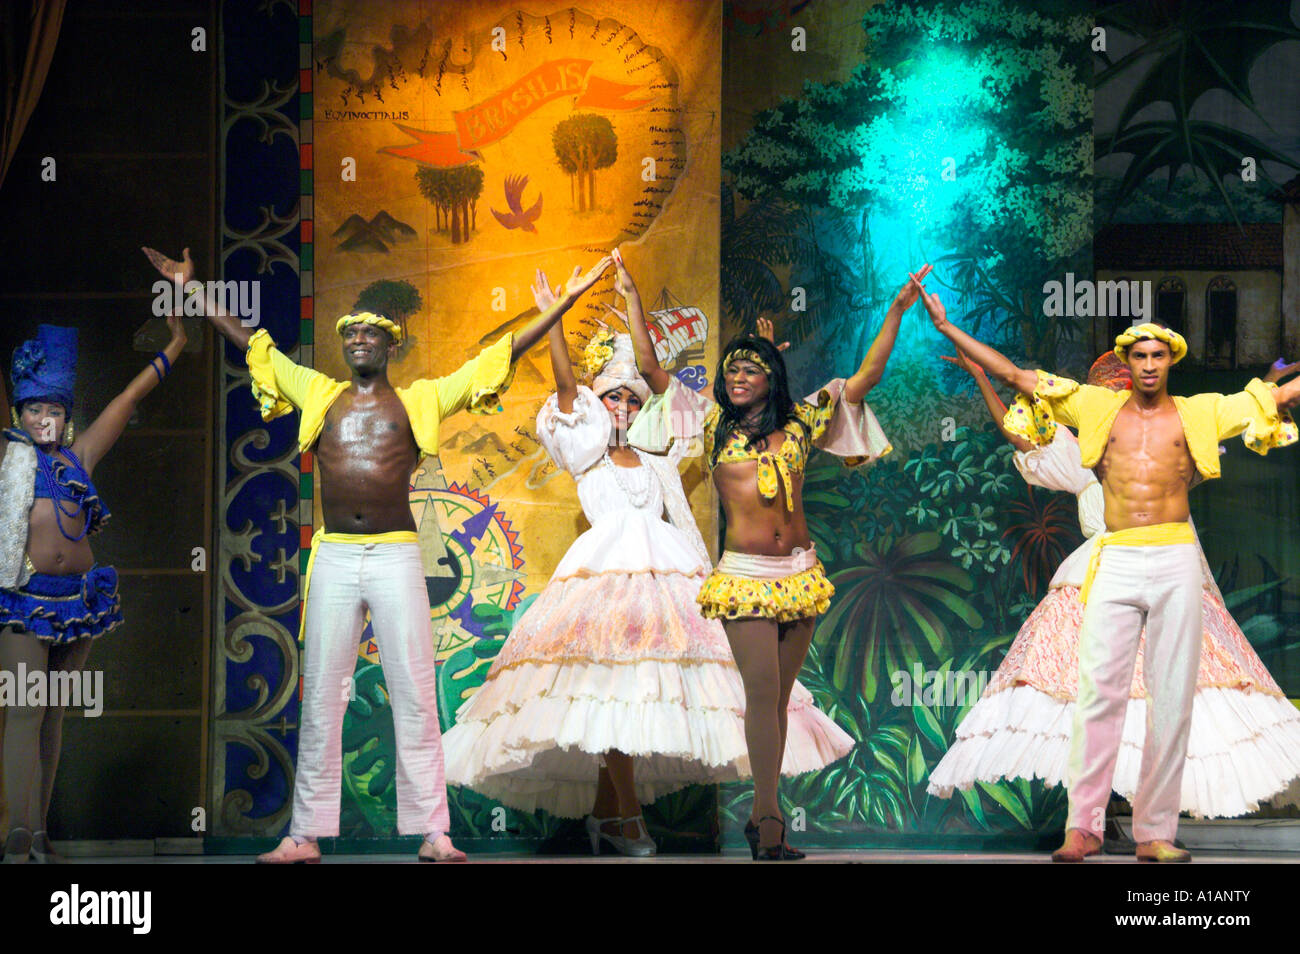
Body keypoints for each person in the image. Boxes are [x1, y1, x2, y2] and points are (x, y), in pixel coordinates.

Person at [144, 244, 610, 863]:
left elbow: (497, 358)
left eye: (372, 333)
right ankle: (303, 833)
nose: (360, 340)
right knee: (324, 694)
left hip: (394, 554)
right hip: (335, 555)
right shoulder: (316, 392)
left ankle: (433, 833)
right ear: (345, 347)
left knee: (414, 690)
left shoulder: (420, 399)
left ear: (391, 347)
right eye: (352, 333)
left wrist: (558, 310)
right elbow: (248, 340)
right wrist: (192, 288)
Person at [442, 263, 853, 856]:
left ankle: (619, 815)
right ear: (595, 403)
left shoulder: (659, 458)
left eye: (628, 399)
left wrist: (769, 362)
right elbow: (564, 387)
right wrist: (555, 321)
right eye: (609, 397)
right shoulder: (587, 456)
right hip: (605, 579)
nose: (620, 407)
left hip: (663, 579)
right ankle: (621, 815)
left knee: (648, 693)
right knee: (610, 690)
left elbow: (694, 407)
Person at [919, 275, 1300, 862]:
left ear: (1169, 361)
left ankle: (1155, 835)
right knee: (1099, 694)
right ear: (1125, 360)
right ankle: (1084, 828)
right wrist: (949, 328)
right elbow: (1018, 376)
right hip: (1115, 555)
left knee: (1171, 699)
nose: (1146, 366)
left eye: (1156, 356)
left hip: (1174, 553)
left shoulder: (1200, 412)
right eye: (1137, 356)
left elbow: (1276, 399)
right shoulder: (1093, 407)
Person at [629, 255, 919, 859]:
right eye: (730, 368)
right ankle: (767, 821)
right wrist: (633, 296)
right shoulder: (712, 427)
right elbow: (654, 370)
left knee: (780, 701)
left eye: (749, 368)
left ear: (771, 379)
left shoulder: (802, 421)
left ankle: (768, 817)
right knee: (762, 697)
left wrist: (893, 312)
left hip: (801, 575)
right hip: (746, 578)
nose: (736, 375)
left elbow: (863, 379)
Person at [2, 316, 187, 863]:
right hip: (23, 600)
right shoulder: (8, 458)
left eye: (53, 409)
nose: (44, 419)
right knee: (24, 711)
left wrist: (176, 342)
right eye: (34, 408)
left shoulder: (79, 459)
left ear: (67, 414)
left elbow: (128, 398)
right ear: (18, 413)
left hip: (79, 602)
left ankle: (39, 834)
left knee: (54, 715)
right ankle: (18, 835)